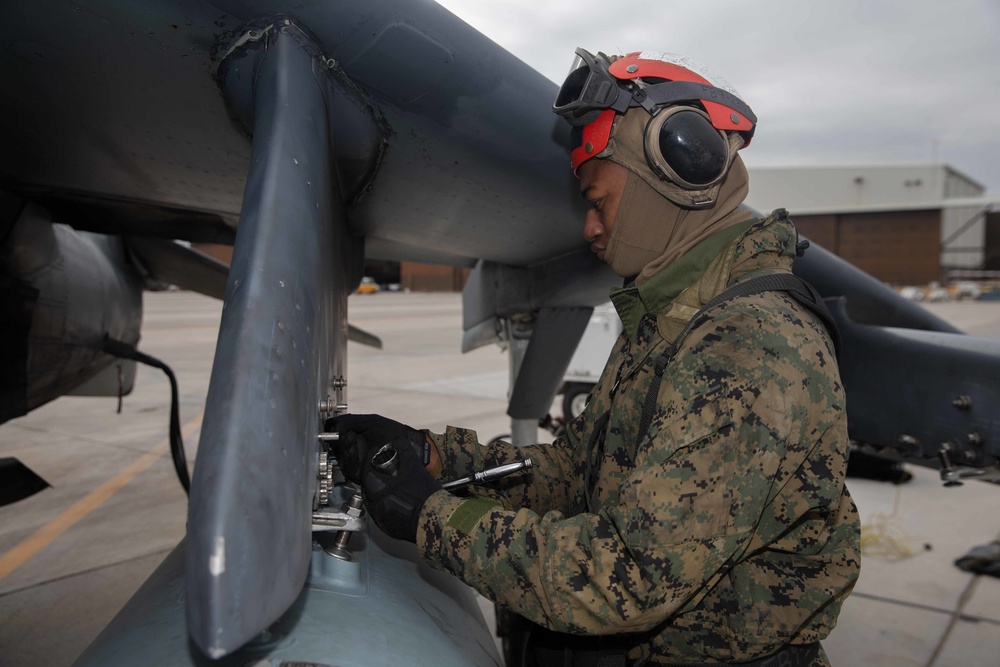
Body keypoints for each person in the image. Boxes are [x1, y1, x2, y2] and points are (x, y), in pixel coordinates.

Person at [331, 49, 860, 666]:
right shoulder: (674, 319)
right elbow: (575, 472)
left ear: (674, 177)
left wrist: (430, 516)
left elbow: (628, 577)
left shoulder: (748, 343)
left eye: (598, 199)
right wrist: (434, 456)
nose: (590, 227)